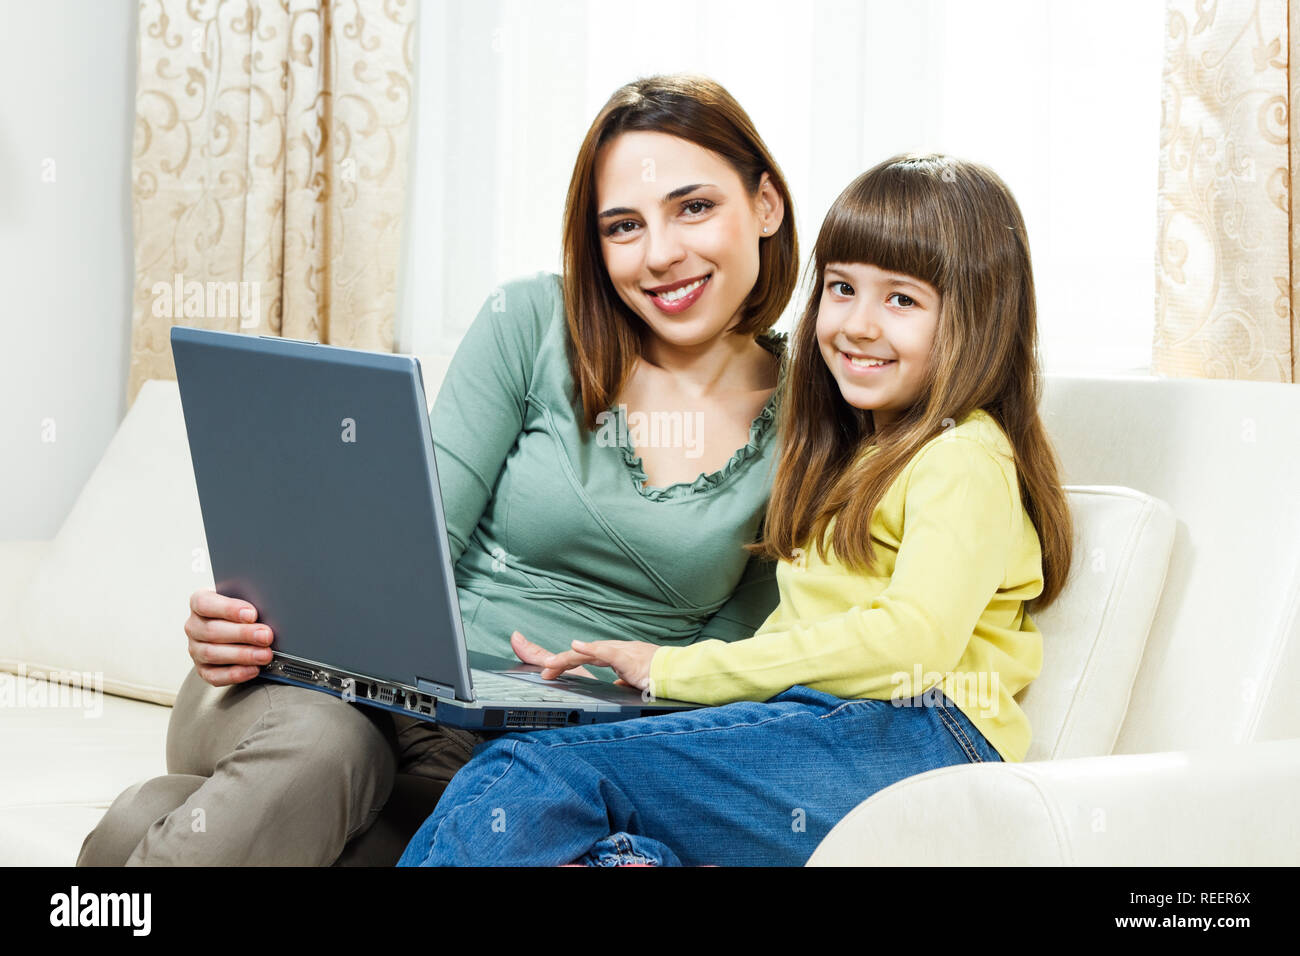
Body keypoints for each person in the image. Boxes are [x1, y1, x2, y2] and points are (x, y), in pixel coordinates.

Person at [75, 73, 801, 866]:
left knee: (314, 835)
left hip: (512, 761)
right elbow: (405, 550)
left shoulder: (815, 418)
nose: (661, 254)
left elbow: (726, 668)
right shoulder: (530, 323)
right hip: (330, 695)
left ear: (766, 203)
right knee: (327, 751)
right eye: (623, 225)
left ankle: (135, 843)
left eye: (694, 207)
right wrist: (247, 622)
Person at [397, 152, 1076, 867]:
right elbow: (797, 637)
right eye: (842, 288)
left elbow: (913, 641)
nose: (859, 325)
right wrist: (644, 680)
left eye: (902, 300)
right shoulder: (860, 454)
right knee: (611, 848)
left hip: (923, 740)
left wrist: (673, 671)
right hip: (831, 724)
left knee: (529, 773)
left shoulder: (963, 455)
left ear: (982, 319)